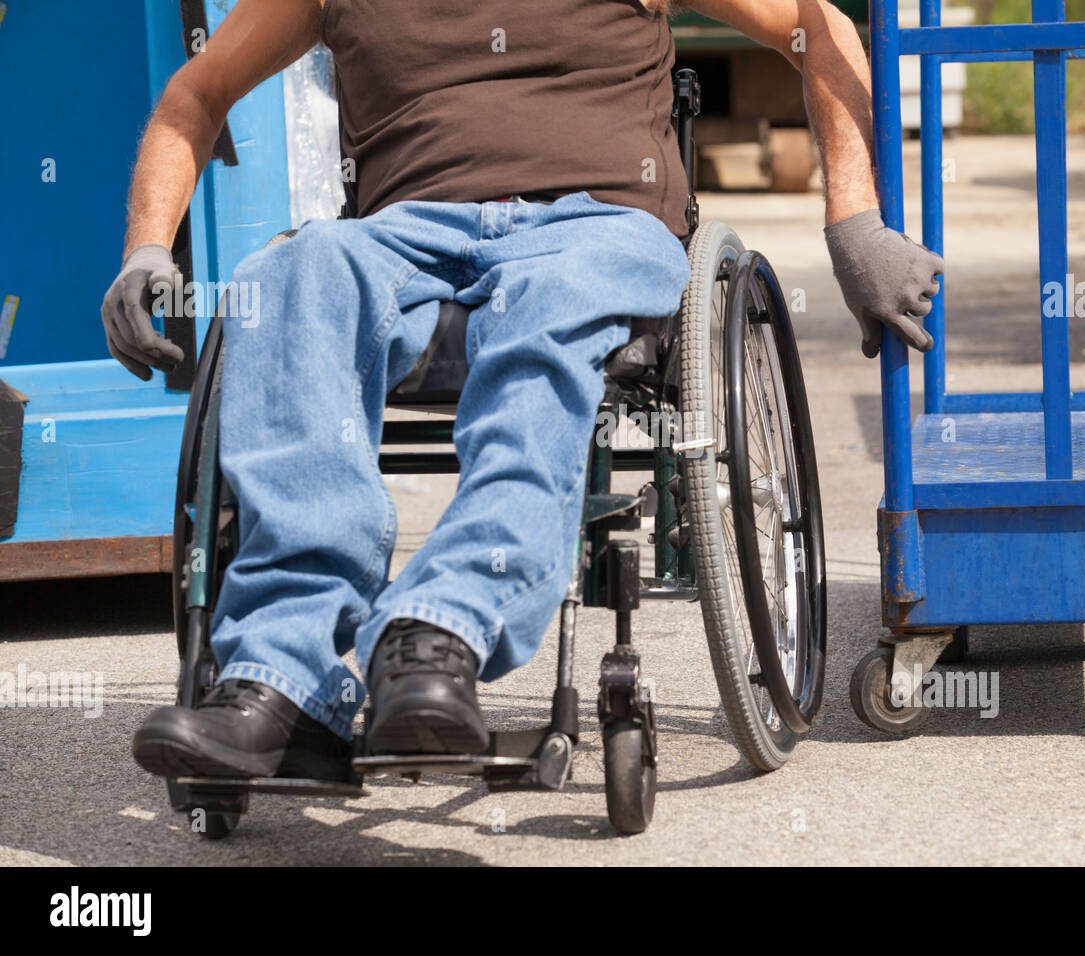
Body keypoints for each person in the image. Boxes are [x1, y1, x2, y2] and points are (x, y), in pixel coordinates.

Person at [105, 0, 942, 781]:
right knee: (291, 273)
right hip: (407, 238)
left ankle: (440, 630)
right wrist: (148, 247)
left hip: (595, 225)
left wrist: (855, 223)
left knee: (547, 308)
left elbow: (811, 22)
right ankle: (279, 677)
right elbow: (198, 89)